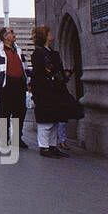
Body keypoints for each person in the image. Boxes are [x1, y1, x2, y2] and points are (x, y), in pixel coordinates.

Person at [29, 25, 84, 157]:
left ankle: (52, 146)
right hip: (45, 91)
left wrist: (63, 76)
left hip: (56, 90)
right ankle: (44, 147)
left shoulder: (52, 53)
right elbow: (39, 75)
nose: (51, 34)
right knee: (45, 121)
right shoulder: (38, 54)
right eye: (48, 32)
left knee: (54, 119)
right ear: (45, 35)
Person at [0, 27, 28, 150]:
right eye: (12, 33)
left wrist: (27, 81)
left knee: (19, 113)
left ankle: (17, 139)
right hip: (7, 85)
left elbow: (24, 67)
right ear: (5, 37)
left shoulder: (18, 50)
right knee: (5, 113)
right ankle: (4, 139)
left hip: (20, 85)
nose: (14, 34)